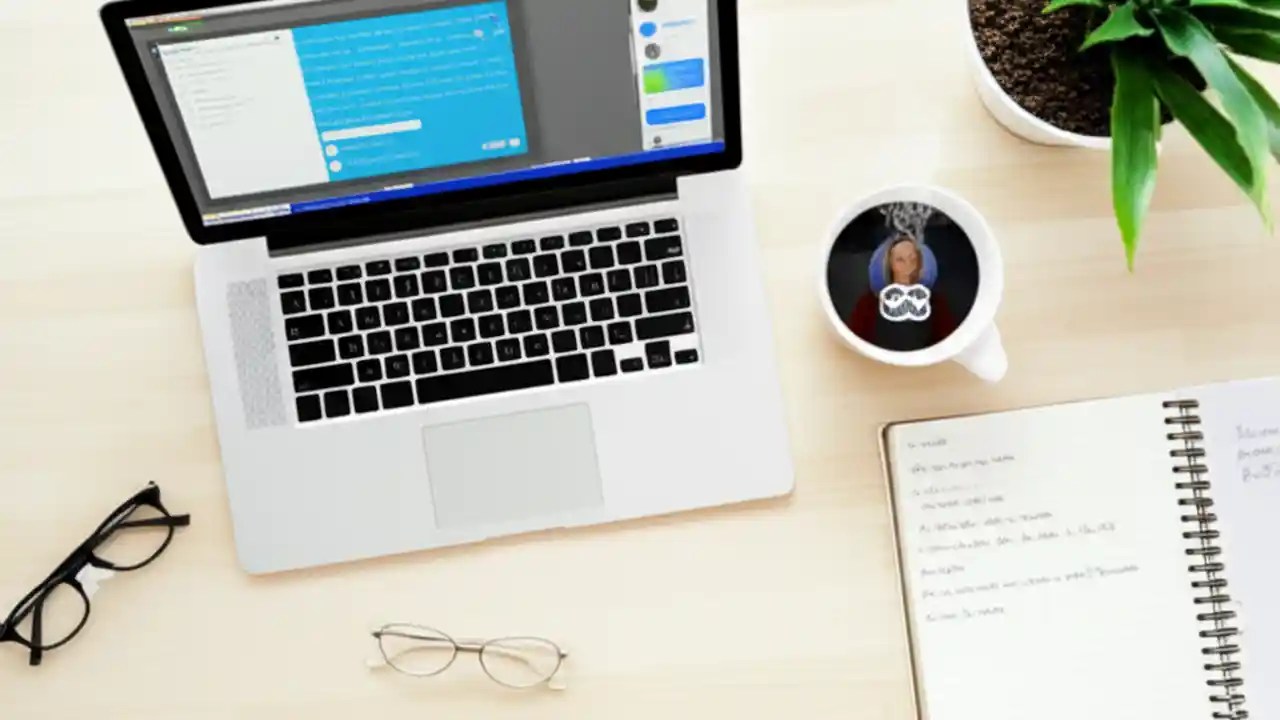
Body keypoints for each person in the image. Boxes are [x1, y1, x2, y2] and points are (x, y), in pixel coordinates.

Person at [848, 235, 957, 351]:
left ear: (920, 264)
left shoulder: (936, 303)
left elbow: (948, 344)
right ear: (889, 264)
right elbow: (854, 344)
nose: (908, 267)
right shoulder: (869, 303)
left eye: (913, 260)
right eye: (900, 260)